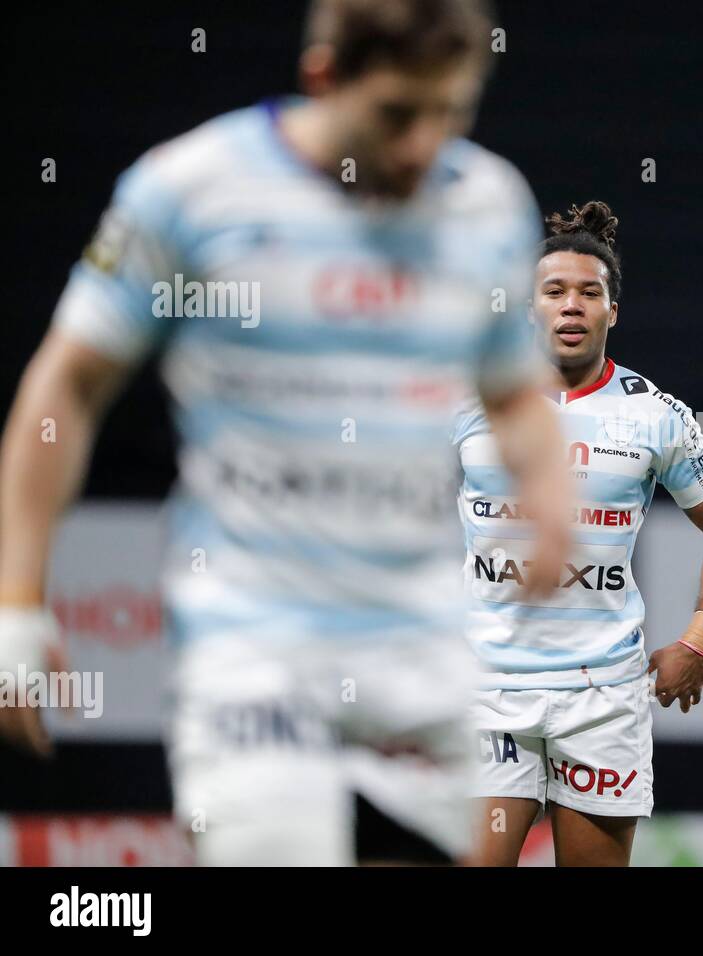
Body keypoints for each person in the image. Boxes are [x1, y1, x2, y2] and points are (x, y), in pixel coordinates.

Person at [0, 0, 572, 866]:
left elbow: (518, 398)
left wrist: (552, 504)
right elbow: (68, 386)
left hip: (429, 649)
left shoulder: (490, 204)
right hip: (252, 646)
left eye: (451, 112)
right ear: (323, 78)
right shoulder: (191, 189)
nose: (425, 145)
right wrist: (15, 605)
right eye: (396, 114)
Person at [455, 201, 703, 866]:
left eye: (589, 293)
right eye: (553, 291)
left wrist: (698, 641)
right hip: (486, 688)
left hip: (602, 698)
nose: (571, 306)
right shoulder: (469, 400)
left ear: (612, 311)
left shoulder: (655, 415)